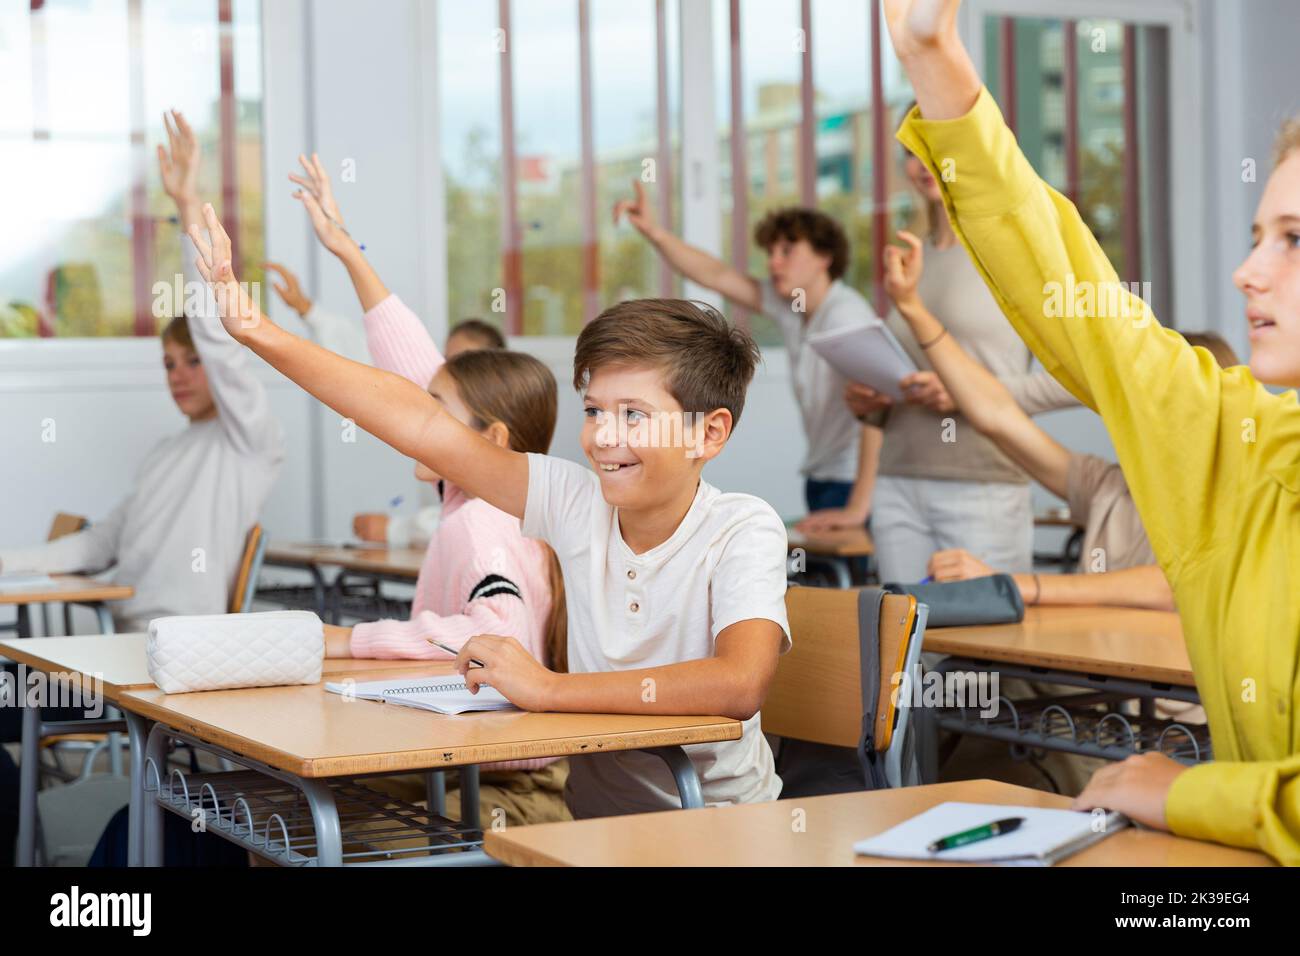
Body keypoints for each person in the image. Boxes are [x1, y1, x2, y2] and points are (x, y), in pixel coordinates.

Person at [187, 202, 790, 818]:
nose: (604, 436)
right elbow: (421, 420)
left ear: (708, 434)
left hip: (722, 828)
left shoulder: (743, 527)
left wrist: (550, 689)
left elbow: (738, 684)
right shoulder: (573, 501)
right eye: (593, 411)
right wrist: (255, 329)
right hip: (595, 830)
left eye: (633, 414)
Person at [884, 0, 1300, 863]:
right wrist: (935, 57)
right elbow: (1082, 306)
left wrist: (1195, 789)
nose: (1248, 270)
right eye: (1258, 235)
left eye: (1293, 240)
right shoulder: (1239, 438)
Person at [0, 110, 283, 631]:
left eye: (192, 362)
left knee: (24, 689)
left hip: (179, 637)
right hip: (126, 630)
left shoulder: (248, 442)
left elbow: (217, 338)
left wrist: (184, 203)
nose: (178, 375)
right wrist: (9, 563)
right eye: (169, 364)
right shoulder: (166, 454)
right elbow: (101, 541)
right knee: (21, 677)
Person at [615, 185, 880, 538]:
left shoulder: (846, 316)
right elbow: (716, 275)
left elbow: (876, 411)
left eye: (787, 250)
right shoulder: (794, 307)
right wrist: (654, 232)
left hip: (855, 482)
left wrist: (858, 508)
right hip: (823, 475)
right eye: (770, 251)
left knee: (847, 586)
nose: (773, 261)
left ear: (824, 257)